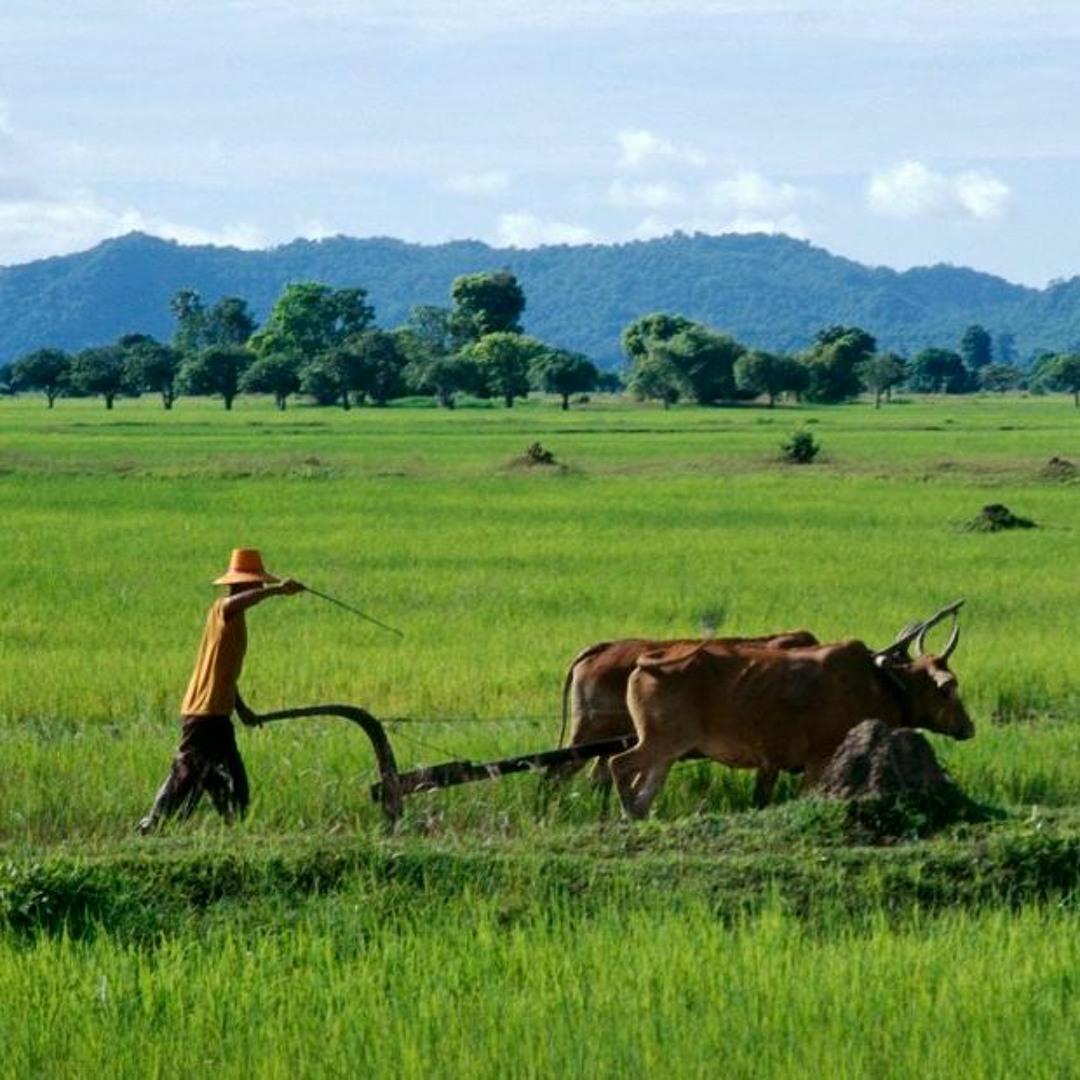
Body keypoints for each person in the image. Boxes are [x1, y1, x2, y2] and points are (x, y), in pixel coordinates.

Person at [137, 548, 305, 834]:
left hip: (218, 712)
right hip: (203, 712)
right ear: (244, 585)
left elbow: (225, 674)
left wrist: (242, 709)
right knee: (188, 771)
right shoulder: (222, 610)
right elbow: (236, 603)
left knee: (227, 777)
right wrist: (277, 591)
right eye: (258, 583)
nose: (261, 587)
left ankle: (236, 828)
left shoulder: (236, 621)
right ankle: (153, 824)